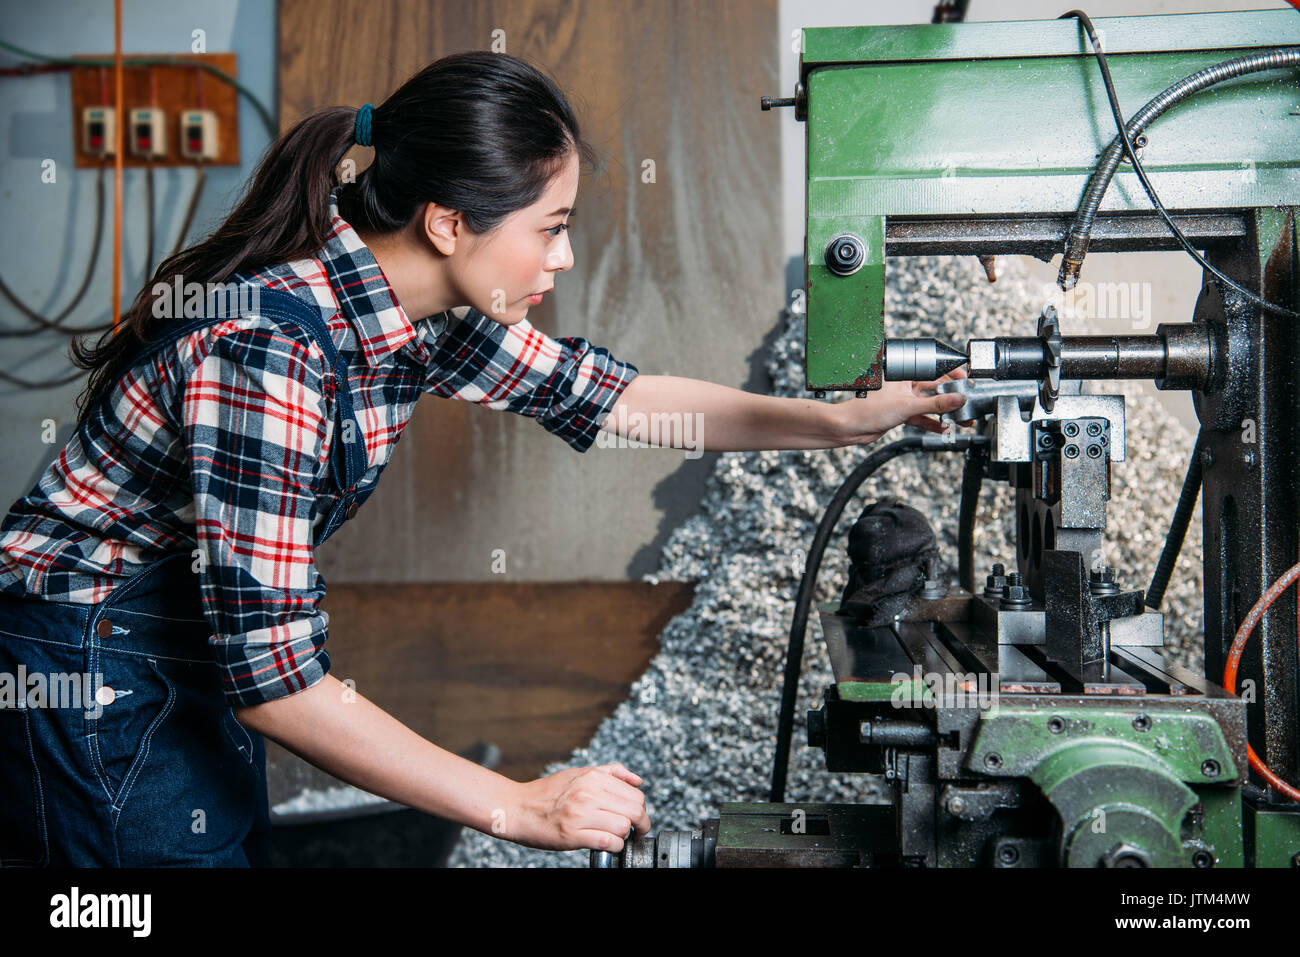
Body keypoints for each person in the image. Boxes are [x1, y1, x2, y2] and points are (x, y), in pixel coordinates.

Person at [0, 51, 967, 867]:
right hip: (92, 658)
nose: (564, 260)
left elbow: (627, 401)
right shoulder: (274, 349)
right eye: (550, 229)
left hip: (186, 647)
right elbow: (279, 684)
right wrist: (520, 806)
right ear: (449, 221)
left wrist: (839, 421)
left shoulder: (411, 312)